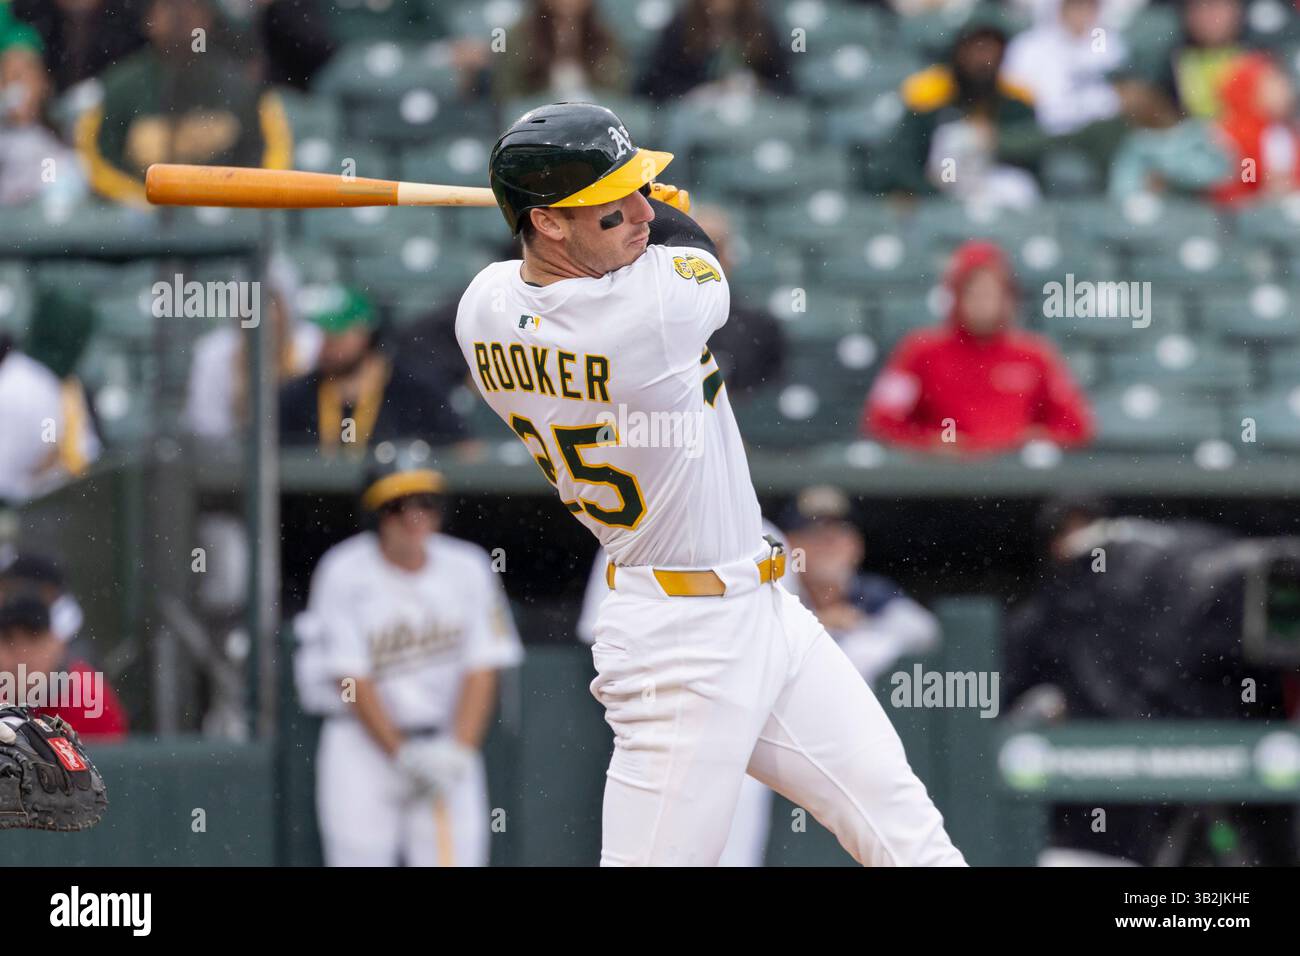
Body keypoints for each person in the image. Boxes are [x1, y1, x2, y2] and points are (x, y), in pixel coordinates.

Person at [457, 102, 964, 866]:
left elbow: (584, 259)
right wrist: (666, 214)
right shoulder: (655, 308)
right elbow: (688, 245)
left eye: (638, 192)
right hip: (677, 643)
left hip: (762, 606)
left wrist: (602, 209)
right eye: (611, 207)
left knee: (904, 828)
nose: (636, 213)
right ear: (550, 224)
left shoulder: (482, 308)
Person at [293, 452, 523, 866]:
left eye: (425, 503)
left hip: (446, 740)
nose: (414, 516)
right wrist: (401, 754)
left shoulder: (469, 566)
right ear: (376, 515)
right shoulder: (343, 571)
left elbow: (483, 666)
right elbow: (350, 679)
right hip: (362, 746)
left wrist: (459, 751)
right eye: (398, 505)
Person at [863, 240, 1094, 455]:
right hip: (943, 482)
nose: (983, 302)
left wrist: (1036, 439)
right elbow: (882, 420)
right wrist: (931, 442)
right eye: (973, 291)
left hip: (1015, 480)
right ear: (956, 296)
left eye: (992, 292)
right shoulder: (920, 351)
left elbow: (1075, 425)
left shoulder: (1035, 355)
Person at [75, 0, 291, 206]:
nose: (180, 16)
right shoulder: (121, 86)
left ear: (207, 18)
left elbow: (266, 159)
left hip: (227, 225)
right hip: (137, 229)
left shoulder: (240, 86)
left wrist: (225, 204)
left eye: (192, 5)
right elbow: (97, 158)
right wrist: (141, 199)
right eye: (168, 5)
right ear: (150, 18)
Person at [879, 13, 1049, 205]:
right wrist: (927, 191)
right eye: (976, 48)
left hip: (997, 195)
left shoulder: (1016, 102)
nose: (983, 59)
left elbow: (1035, 161)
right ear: (958, 52)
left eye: (991, 49)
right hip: (940, 189)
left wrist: (996, 141)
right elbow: (902, 160)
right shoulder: (930, 96)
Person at [278, 284, 467, 453]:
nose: (327, 344)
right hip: (311, 491)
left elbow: (466, 450)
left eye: (337, 333)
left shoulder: (414, 393)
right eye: (324, 334)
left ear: (367, 334)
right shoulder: (296, 396)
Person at [185, 258, 322, 442]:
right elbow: (208, 432)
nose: (260, 313)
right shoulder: (213, 354)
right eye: (251, 301)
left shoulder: (314, 346)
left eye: (270, 301)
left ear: (287, 307)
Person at [0, 591, 128, 741]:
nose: (21, 652)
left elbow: (113, 761)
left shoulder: (89, 701)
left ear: (56, 645)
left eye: (33, 638)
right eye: (8, 640)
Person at [1000, 0, 1129, 137]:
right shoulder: (1028, 46)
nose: (1083, 12)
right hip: (1043, 134)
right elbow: (1015, 99)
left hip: (1099, 133)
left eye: (1090, 6)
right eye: (1076, 6)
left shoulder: (1109, 44)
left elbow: (1121, 94)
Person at [0, 333, 100, 503]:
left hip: (57, 493)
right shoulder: (27, 377)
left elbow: (56, 448)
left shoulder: (17, 386)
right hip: (54, 493)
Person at [0, 20, 87, 207]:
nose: (13, 86)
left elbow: (55, 188)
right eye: (5, 76)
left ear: (44, 83)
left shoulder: (58, 149)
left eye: (22, 75)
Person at [634, 0, 792, 101]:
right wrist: (703, 91)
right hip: (696, 118)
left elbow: (786, 84)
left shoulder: (760, 26)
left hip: (754, 117)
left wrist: (757, 85)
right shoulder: (681, 26)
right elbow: (657, 85)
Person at [1208, 52, 1300, 204]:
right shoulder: (1233, 137)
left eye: (1281, 83)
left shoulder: (1288, 132)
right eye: (1271, 85)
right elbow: (1238, 185)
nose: (1283, 91)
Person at [493, 0, 627, 103]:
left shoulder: (606, 37)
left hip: (593, 123)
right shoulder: (519, 37)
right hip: (536, 125)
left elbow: (618, 90)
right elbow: (508, 95)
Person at [1157, 0, 1249, 120]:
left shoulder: (1257, 55)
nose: (1208, 17)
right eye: (1198, 8)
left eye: (1216, 7)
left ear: (1236, 10)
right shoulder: (1174, 60)